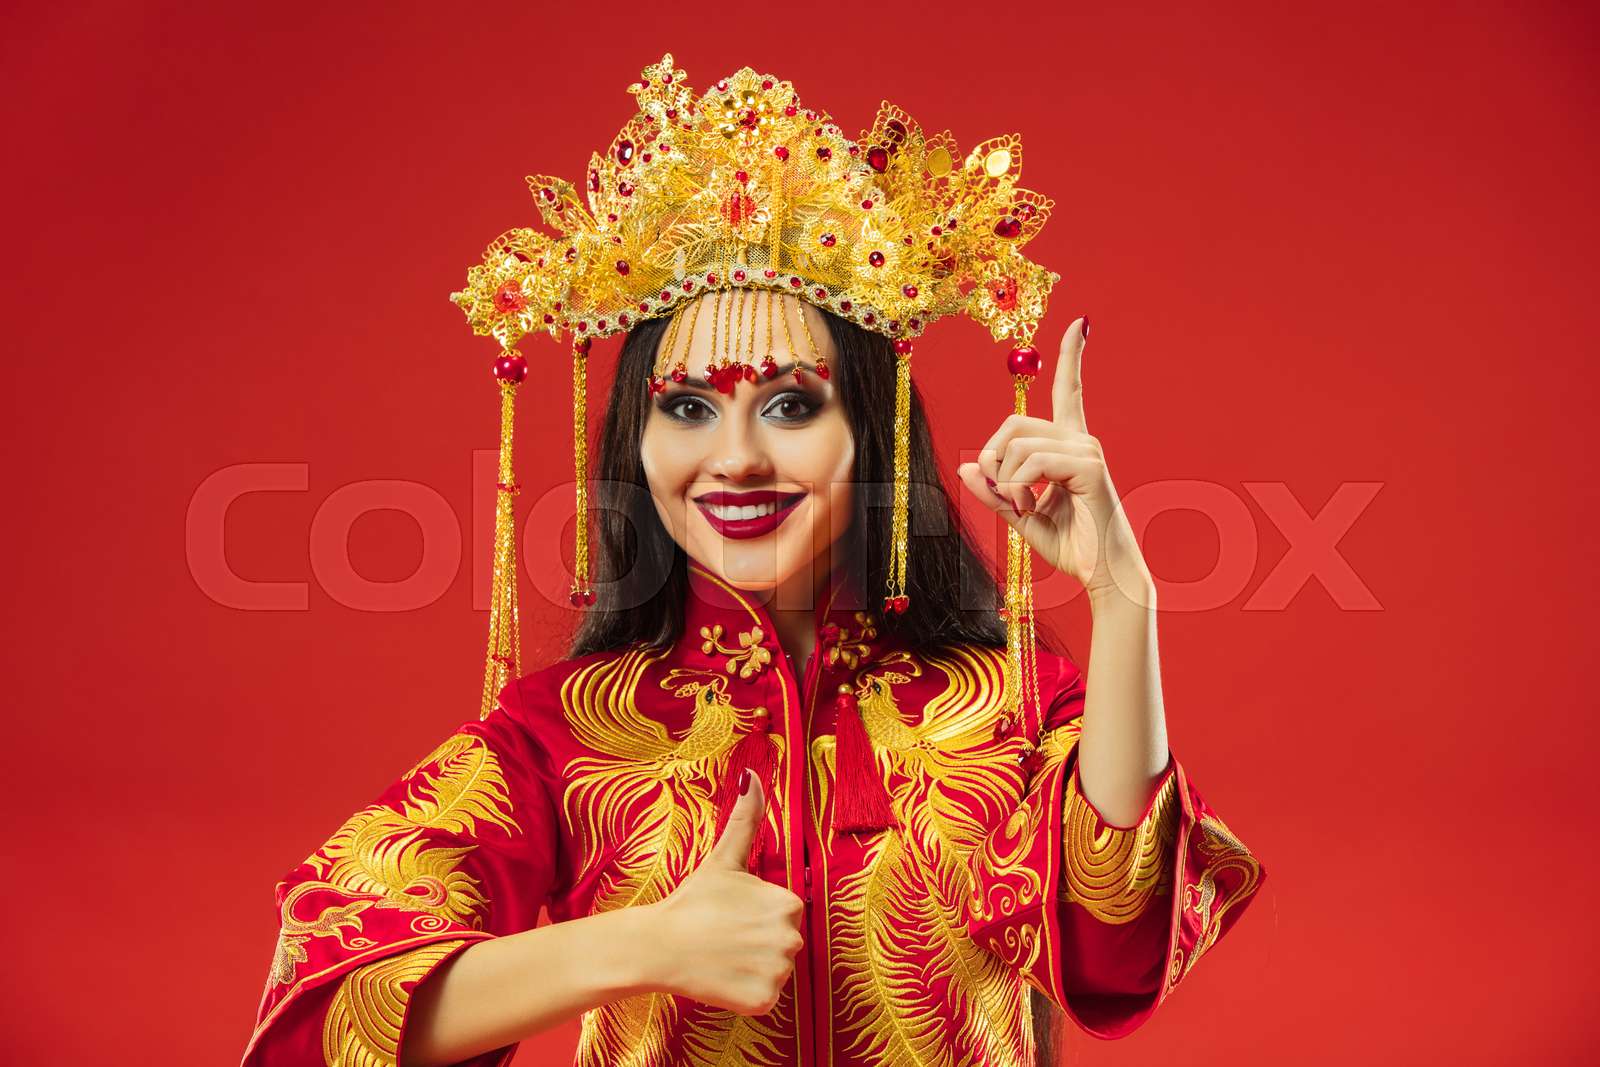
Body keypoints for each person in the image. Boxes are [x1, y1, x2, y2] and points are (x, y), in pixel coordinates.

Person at [241, 56, 1264, 1067]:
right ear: (634, 449)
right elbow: (329, 1008)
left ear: (872, 430)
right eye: (686, 408)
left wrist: (1125, 596)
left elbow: (1117, 933)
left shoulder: (1000, 702)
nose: (733, 456)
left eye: (788, 404)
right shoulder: (565, 733)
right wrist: (638, 945)